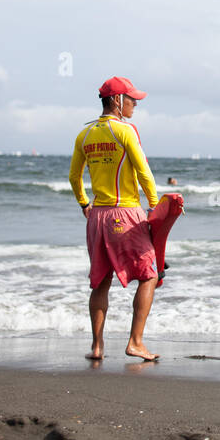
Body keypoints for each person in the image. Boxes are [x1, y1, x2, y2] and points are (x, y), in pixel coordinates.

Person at [69, 76, 162, 363]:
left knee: (100, 281)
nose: (135, 104)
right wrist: (156, 207)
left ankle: (97, 347)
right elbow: (143, 171)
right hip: (126, 213)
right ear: (117, 101)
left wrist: (85, 204)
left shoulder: (84, 135)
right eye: (132, 99)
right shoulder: (125, 131)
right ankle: (135, 342)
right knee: (150, 275)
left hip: (97, 217)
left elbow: (74, 177)